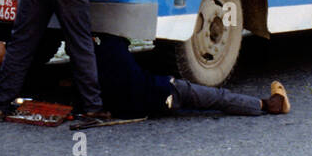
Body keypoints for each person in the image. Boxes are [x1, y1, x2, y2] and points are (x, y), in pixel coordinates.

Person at [92, 33, 290, 118]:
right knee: (218, 98)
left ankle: (263, 105)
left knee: (203, 105)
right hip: (164, 91)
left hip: (132, 109)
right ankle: (268, 105)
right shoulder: (110, 44)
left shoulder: (88, 63)